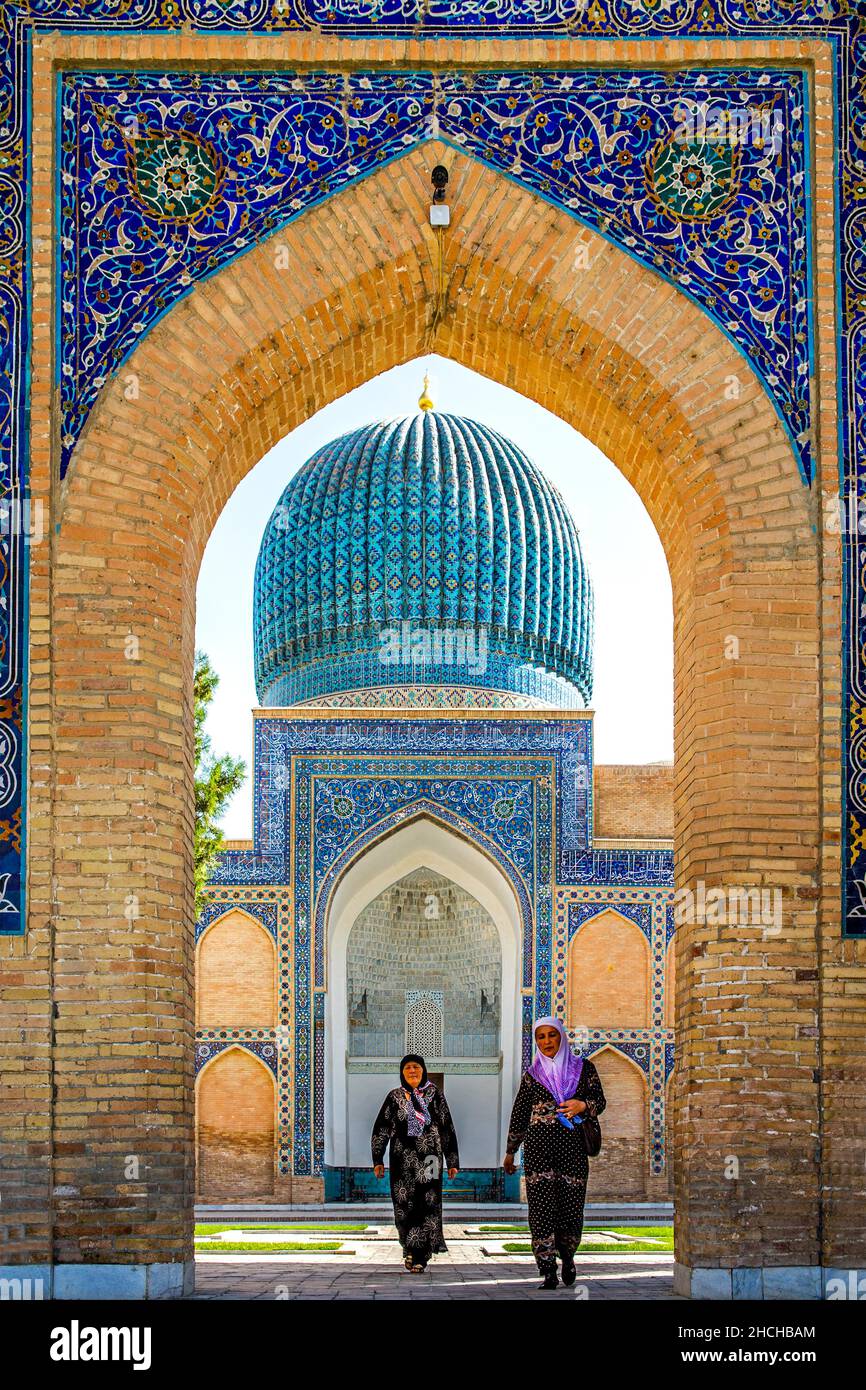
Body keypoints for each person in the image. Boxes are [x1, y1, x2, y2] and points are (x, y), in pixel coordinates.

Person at [503, 1016, 606, 1290]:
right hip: (539, 1151)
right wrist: (511, 1152)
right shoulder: (532, 1075)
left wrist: (582, 1105)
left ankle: (568, 1257)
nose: (547, 1042)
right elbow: (520, 1115)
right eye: (541, 1037)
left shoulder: (584, 1069)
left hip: (572, 1149)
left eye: (552, 1036)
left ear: (561, 1037)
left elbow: (600, 1101)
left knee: (570, 1208)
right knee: (541, 1210)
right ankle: (547, 1269)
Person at [371, 1054, 460, 1273]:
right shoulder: (395, 1097)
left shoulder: (434, 1095)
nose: (412, 1071)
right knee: (404, 1206)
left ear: (423, 1070)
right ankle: (409, 1248)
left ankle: (421, 1255)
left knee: (426, 1204)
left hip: (430, 1159)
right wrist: (377, 1159)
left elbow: (446, 1126)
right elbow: (381, 1128)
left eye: (416, 1067)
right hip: (402, 1159)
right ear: (402, 1072)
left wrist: (452, 1160)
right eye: (408, 1067)